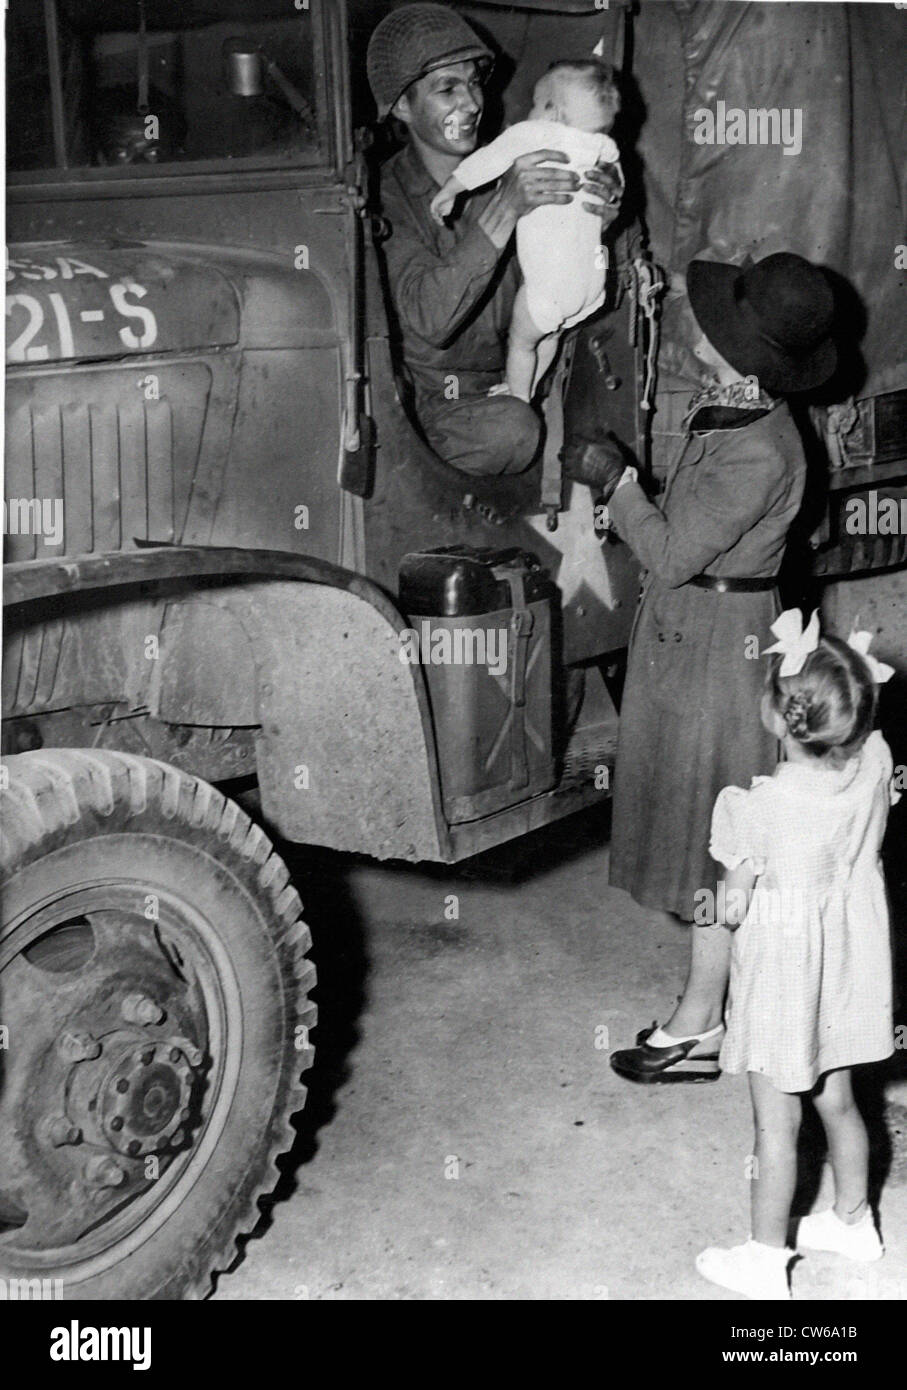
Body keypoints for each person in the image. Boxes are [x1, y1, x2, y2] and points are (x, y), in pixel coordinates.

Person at [589, 251, 839, 1083]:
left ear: (745, 353)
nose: (701, 325)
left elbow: (666, 550)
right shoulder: (736, 405)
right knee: (706, 838)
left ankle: (701, 1023)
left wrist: (617, 483)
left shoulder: (761, 450)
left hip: (716, 652)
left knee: (716, 845)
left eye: (718, 322)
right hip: (693, 635)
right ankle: (713, 1010)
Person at [694, 611, 895, 1299]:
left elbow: (729, 908)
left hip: (785, 979)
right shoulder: (875, 761)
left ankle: (761, 1258)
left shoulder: (761, 808)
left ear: (781, 719)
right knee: (838, 1098)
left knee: (774, 1122)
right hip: (847, 963)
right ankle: (853, 1221)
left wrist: (729, 881)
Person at [366, 3, 622, 477]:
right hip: (438, 407)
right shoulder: (384, 197)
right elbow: (431, 320)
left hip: (524, 376)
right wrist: (504, 210)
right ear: (403, 105)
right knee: (512, 430)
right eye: (447, 88)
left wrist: (596, 223)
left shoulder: (516, 159)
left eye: (473, 83)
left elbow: (562, 280)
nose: (471, 103)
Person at [430, 60, 623, 402]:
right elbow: (616, 180)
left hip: (549, 285)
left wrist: (451, 189)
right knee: (550, 336)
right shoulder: (602, 148)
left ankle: (517, 400)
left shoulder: (533, 135)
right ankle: (530, 388)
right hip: (591, 283)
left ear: (552, 111)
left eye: (535, 103)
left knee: (522, 342)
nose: (530, 111)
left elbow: (490, 159)